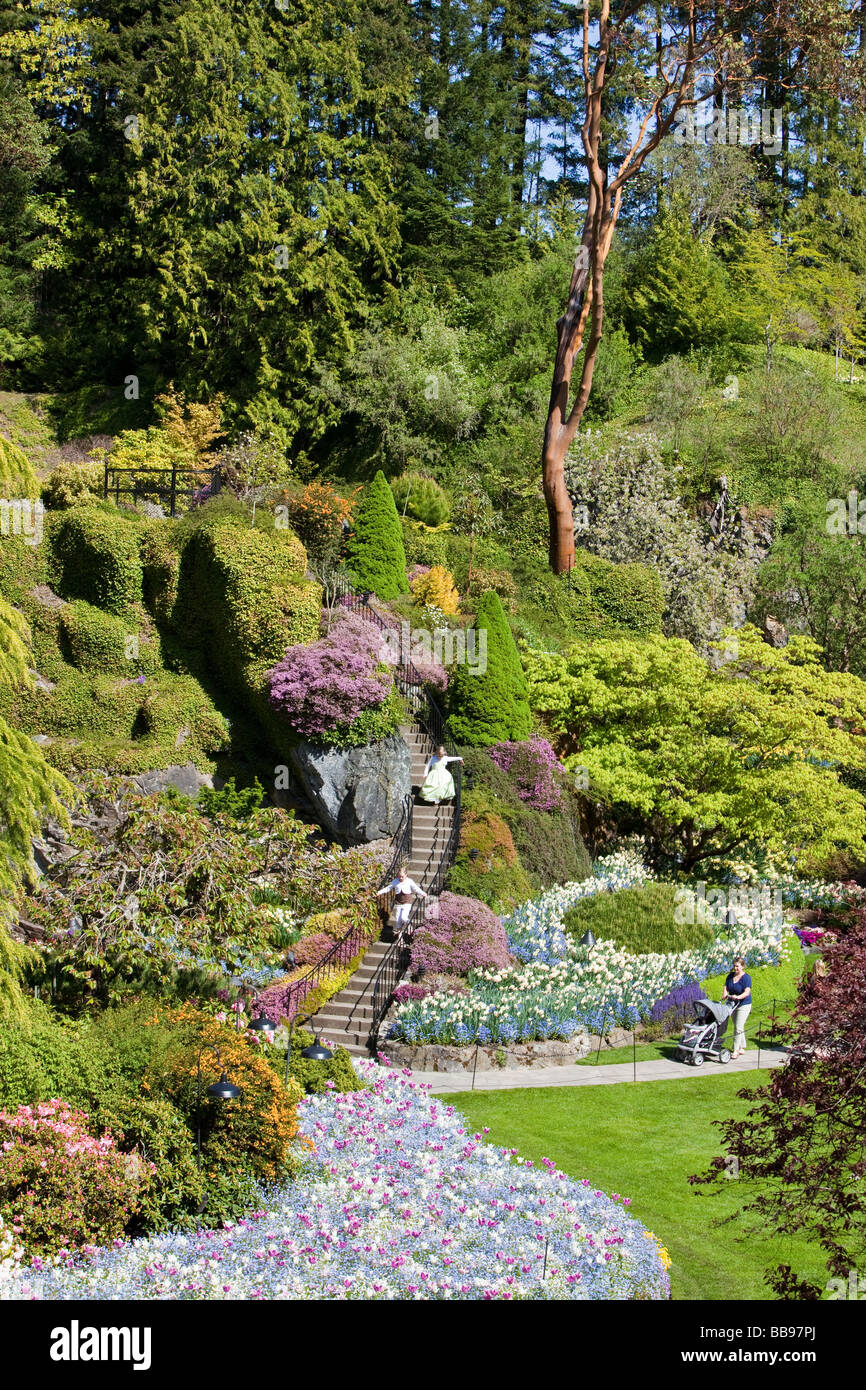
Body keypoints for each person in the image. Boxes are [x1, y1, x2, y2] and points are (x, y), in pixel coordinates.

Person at [722, 956, 753, 1058]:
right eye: (734, 966)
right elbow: (726, 986)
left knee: (738, 1027)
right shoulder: (730, 976)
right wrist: (725, 993)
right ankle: (742, 1046)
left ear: (743, 967)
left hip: (744, 1004)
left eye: (737, 966)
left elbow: (747, 992)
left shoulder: (746, 978)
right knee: (737, 1024)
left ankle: (735, 1050)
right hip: (733, 1003)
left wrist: (738, 997)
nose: (735, 968)